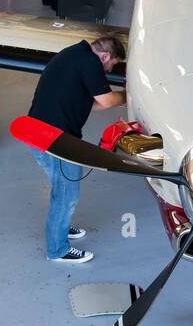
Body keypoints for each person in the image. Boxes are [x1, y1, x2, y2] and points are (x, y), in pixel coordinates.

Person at [27, 36, 127, 263]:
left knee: (61, 189)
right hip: (56, 140)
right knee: (67, 195)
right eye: (110, 66)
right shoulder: (91, 62)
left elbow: (92, 103)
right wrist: (129, 95)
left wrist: (111, 99)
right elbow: (108, 100)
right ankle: (57, 250)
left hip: (37, 133)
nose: (108, 71)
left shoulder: (73, 53)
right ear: (105, 56)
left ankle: (60, 227)